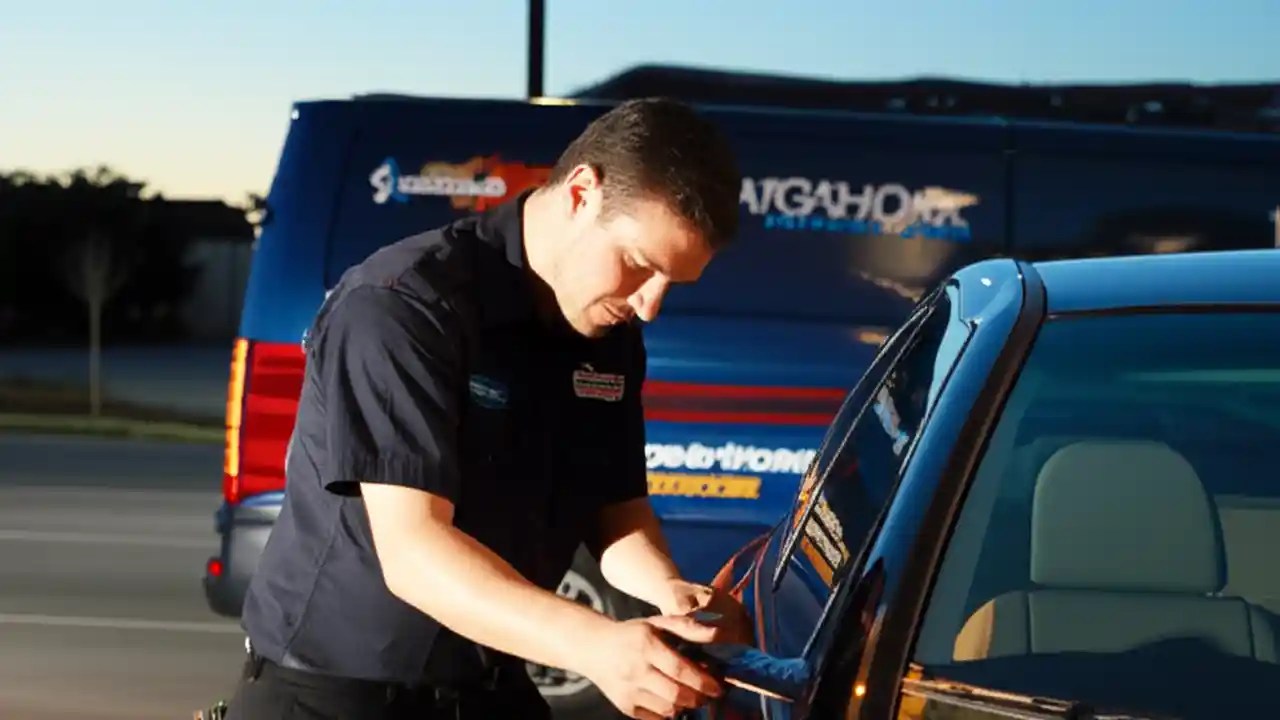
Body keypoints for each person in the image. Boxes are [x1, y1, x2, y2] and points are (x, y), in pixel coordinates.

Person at [224, 97, 751, 720]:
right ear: (582, 193)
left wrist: (669, 596)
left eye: (673, 283)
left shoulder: (609, 334)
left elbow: (614, 507)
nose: (649, 305)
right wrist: (598, 647)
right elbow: (415, 553)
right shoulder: (406, 305)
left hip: (487, 684)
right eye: (640, 265)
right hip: (337, 693)